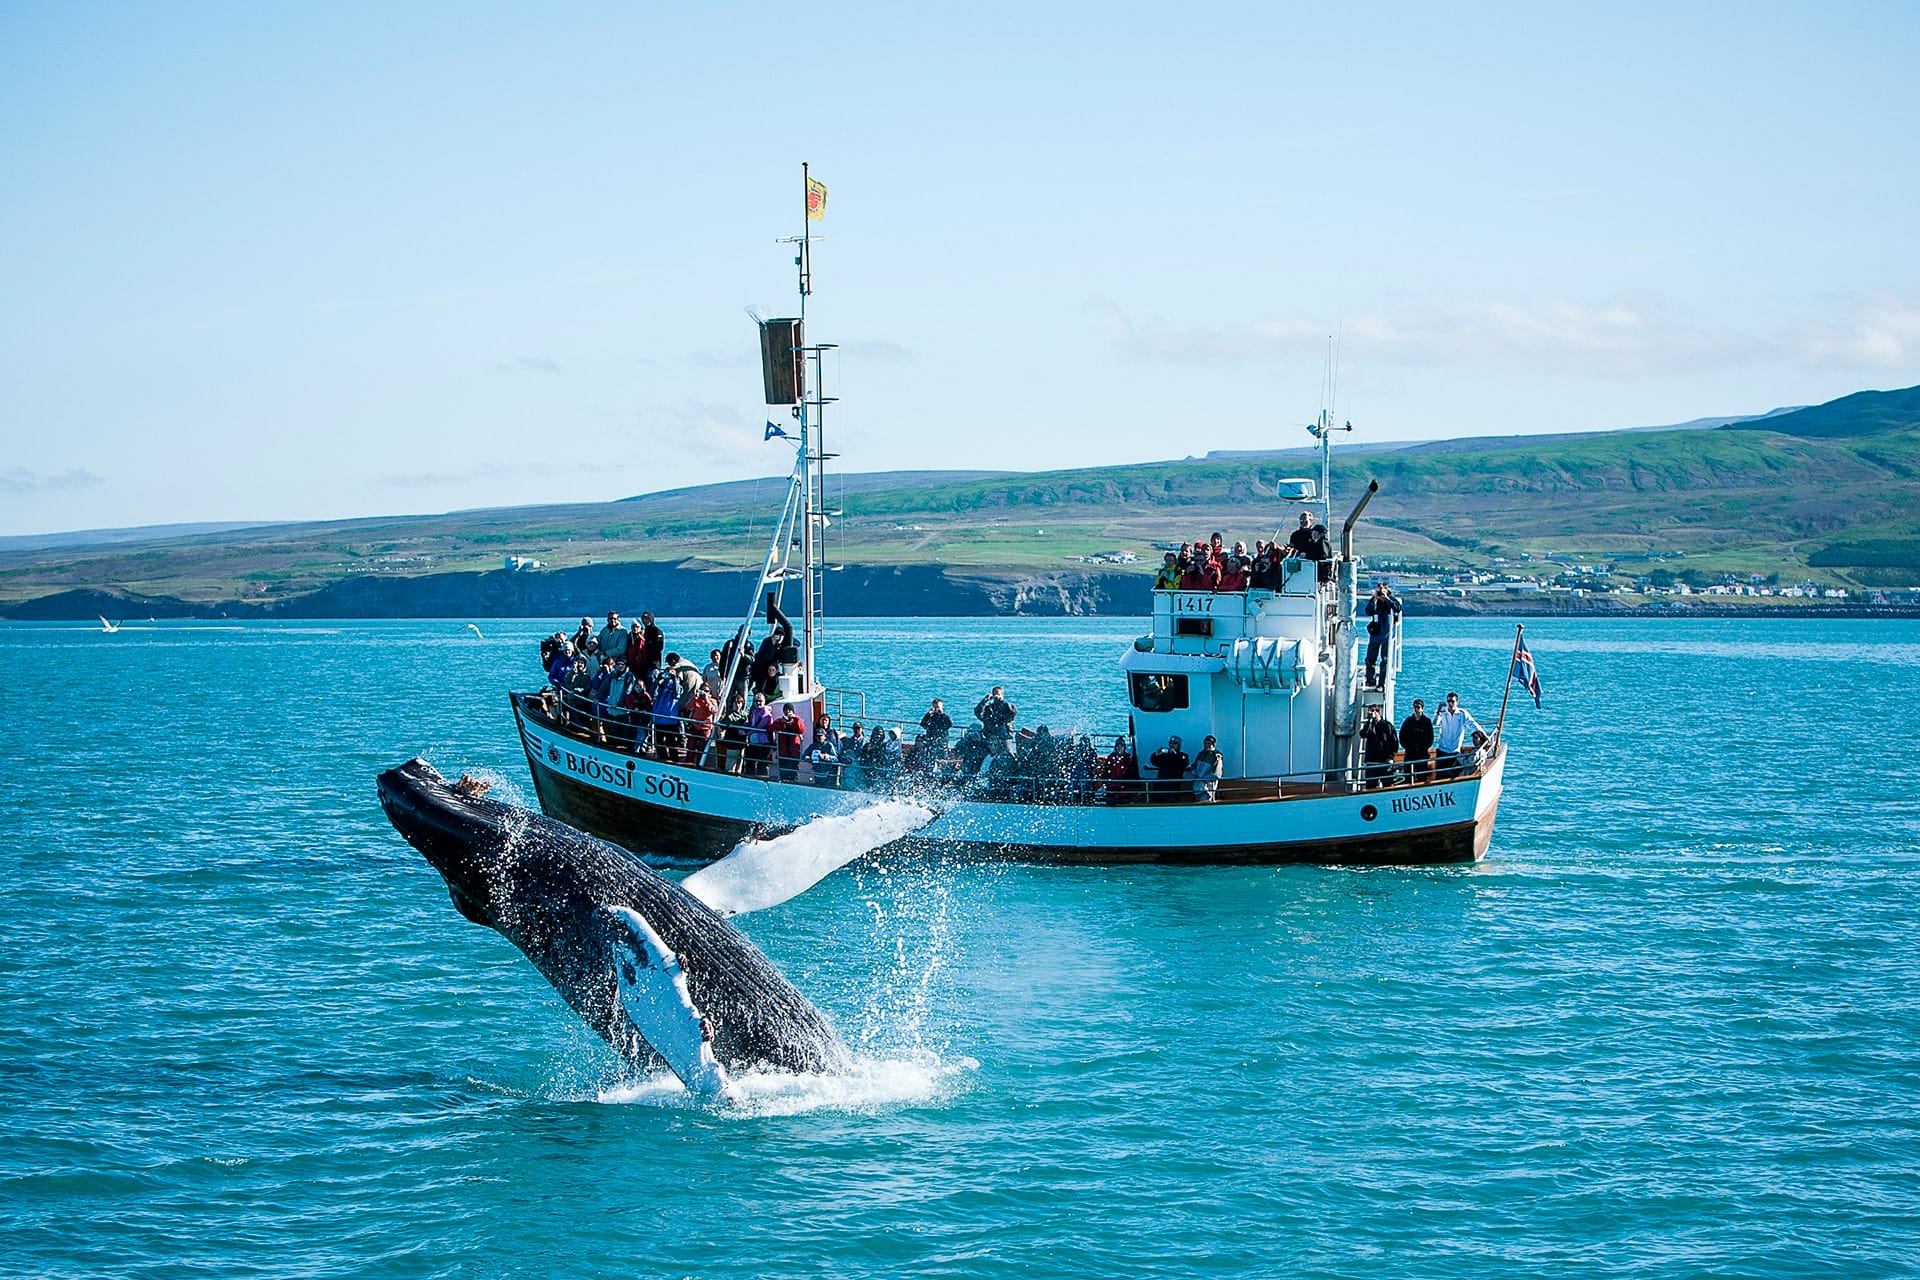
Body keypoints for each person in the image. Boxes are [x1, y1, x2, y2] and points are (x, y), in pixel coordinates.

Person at [1433, 691, 1484, 780]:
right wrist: (1438, 712)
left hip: (1455, 750)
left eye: (1452, 701)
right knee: (1439, 775)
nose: (1450, 704)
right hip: (1442, 749)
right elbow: (1434, 724)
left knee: (1453, 775)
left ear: (1457, 702)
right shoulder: (1443, 713)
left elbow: (1472, 724)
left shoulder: (1462, 713)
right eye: (1448, 701)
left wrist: (1484, 735)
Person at [1364, 583, 1401, 688]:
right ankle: (1370, 680)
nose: (1380, 593)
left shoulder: (1391, 600)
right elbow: (1368, 611)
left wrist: (1387, 598)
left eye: (1382, 590)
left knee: (1385, 660)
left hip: (1386, 635)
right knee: (1370, 659)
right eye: (1379, 590)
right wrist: (1375, 599)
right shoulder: (1375, 601)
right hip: (1375, 634)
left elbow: (1398, 608)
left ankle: (1381, 683)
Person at [1361, 703, 1400, 789]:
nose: (1370, 713)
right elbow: (1363, 734)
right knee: (1370, 786)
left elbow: (1395, 742)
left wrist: (1391, 757)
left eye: (1372, 711)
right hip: (1372, 761)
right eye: (1369, 712)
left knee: (1387, 784)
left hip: (1384, 761)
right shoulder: (1369, 725)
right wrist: (1369, 722)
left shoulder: (1387, 726)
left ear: (1378, 712)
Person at [1286, 511, 1332, 583]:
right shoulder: (1295, 535)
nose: (1303, 522)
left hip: (1313, 565)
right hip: (1299, 562)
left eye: (1305, 521)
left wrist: (1307, 555)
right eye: (1301, 520)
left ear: (1311, 521)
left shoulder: (1318, 537)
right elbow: (1291, 549)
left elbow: (1322, 555)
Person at [974, 687, 1017, 760]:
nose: (996, 696)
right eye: (994, 694)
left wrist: (1001, 701)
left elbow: (1013, 712)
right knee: (985, 755)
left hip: (1004, 736)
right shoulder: (989, 709)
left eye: (998, 694)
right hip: (991, 736)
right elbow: (978, 713)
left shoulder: (1006, 707)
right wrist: (984, 701)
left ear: (1002, 695)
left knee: (1009, 755)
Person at [1400, 699, 1435, 785]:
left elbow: (1430, 738)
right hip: (1410, 754)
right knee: (1408, 776)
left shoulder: (1427, 722)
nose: (1416, 709)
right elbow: (1402, 736)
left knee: (1422, 776)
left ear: (1422, 708)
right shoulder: (1408, 721)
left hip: (1422, 754)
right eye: (1415, 707)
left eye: (1418, 707)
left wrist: (1423, 747)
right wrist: (1408, 747)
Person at [1148, 735, 1190, 804]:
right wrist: (1156, 754)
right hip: (1160, 786)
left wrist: (1175, 754)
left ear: (1179, 745)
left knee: (1171, 802)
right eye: (1170, 743)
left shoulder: (1183, 755)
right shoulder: (1164, 756)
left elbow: (1184, 763)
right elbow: (1154, 761)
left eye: (1174, 743)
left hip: (1173, 787)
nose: (1172, 745)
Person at [681, 683, 716, 766]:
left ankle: (700, 765)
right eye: (703, 690)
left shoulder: (712, 701)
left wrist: (707, 700)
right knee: (691, 748)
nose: (704, 693)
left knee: (702, 750)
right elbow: (687, 708)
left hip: (705, 728)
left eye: (707, 691)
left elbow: (713, 710)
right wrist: (694, 698)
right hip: (694, 727)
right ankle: (688, 764)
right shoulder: (696, 699)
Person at [1099, 736, 1139, 804]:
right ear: (1115, 747)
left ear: (1124, 747)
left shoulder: (1128, 759)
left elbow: (1133, 773)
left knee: (1124, 803)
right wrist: (1107, 784)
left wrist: (1128, 783)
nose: (1119, 748)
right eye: (1118, 746)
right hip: (1111, 790)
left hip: (1124, 790)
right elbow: (1105, 773)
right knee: (1111, 803)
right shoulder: (1111, 758)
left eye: (1121, 746)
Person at [716, 692, 749, 774]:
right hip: (732, 742)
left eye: (739, 703)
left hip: (742, 743)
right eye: (736, 702)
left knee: (740, 763)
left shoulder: (744, 715)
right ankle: (729, 777)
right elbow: (721, 727)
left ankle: (738, 776)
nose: (738, 705)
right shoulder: (729, 715)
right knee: (730, 764)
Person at [772, 702, 806, 783]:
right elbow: (770, 728)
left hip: (794, 753)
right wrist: (781, 722)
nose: (787, 712)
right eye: (786, 710)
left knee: (793, 773)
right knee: (783, 772)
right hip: (783, 753)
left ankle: (793, 785)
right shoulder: (780, 721)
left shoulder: (797, 721)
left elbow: (802, 730)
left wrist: (796, 718)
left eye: (789, 710)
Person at [744, 694, 775, 778]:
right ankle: (749, 776)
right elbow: (752, 723)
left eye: (760, 701)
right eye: (756, 701)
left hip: (763, 741)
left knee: (762, 762)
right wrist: (744, 725)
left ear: (764, 701)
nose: (758, 703)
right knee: (750, 760)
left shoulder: (765, 713)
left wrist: (748, 732)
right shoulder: (755, 712)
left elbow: (759, 726)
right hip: (754, 741)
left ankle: (762, 778)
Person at [805, 719, 842, 786]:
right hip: (817, 772)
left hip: (827, 772)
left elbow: (836, 758)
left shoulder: (829, 745)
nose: (819, 738)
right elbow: (804, 755)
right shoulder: (813, 746)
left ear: (825, 737)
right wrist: (808, 758)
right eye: (818, 736)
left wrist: (827, 757)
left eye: (821, 736)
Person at [1192, 735, 1224, 802]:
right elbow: (1194, 766)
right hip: (1197, 787)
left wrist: (1203, 779)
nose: (1207, 745)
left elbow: (1217, 774)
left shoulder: (1216, 756)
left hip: (1207, 789)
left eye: (1209, 743)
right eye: (1205, 743)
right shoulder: (1201, 754)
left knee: (1204, 807)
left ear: (1213, 744)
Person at [636, 612, 665, 682]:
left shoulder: (657, 632)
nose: (646, 621)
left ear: (652, 619)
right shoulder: (644, 631)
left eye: (648, 619)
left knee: (652, 681)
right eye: (644, 619)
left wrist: (645, 642)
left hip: (654, 664)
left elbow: (659, 648)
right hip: (643, 664)